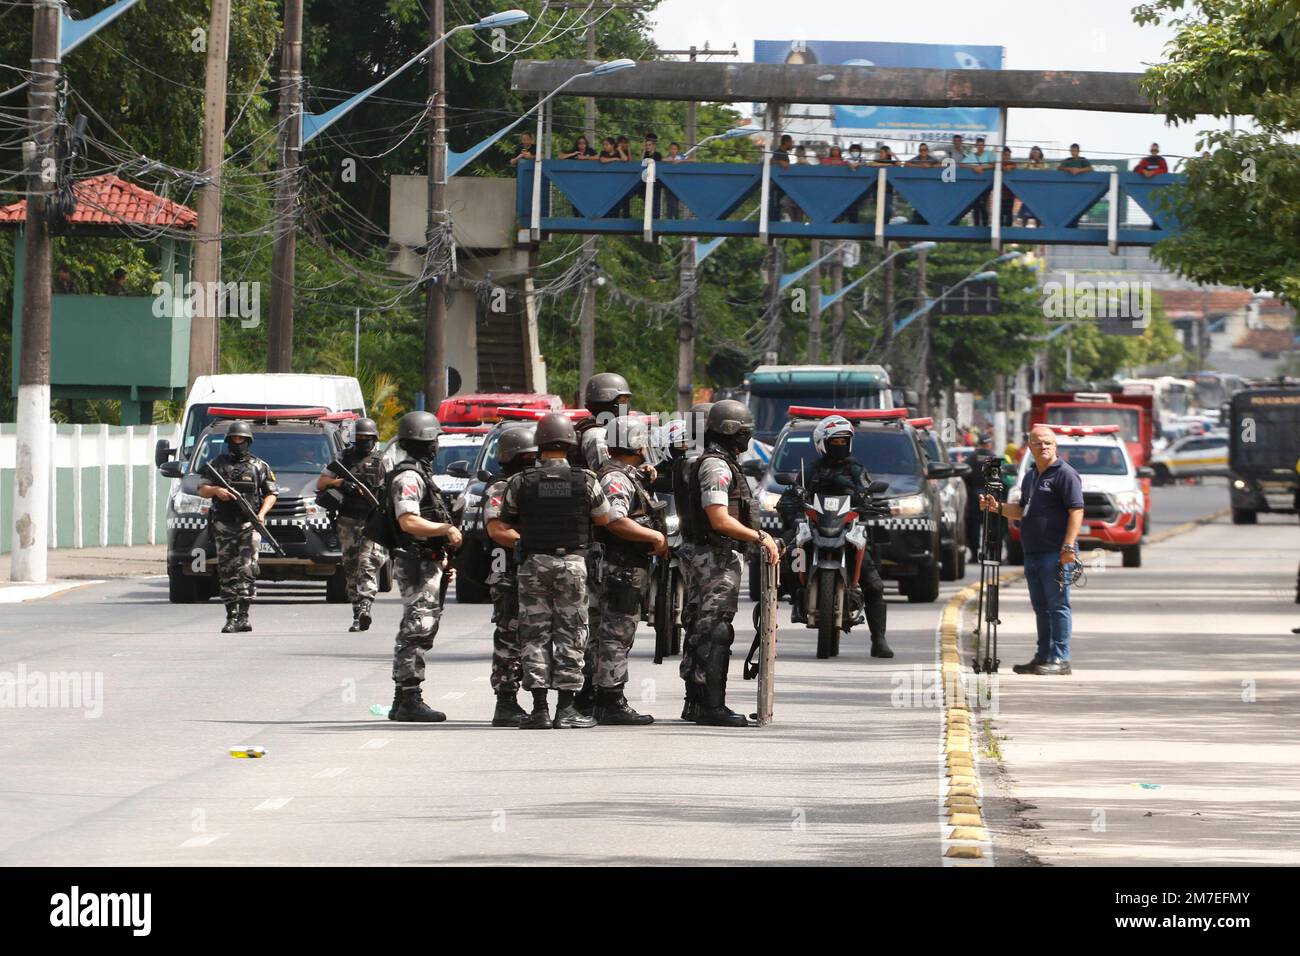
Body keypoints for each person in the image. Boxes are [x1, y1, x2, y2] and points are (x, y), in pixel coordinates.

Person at [498, 412, 612, 729]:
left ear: (539, 443)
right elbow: (604, 518)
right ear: (570, 442)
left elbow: (506, 519)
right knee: (571, 634)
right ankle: (566, 709)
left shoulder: (520, 482)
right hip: (572, 564)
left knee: (534, 635)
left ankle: (539, 710)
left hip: (533, 564)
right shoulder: (585, 480)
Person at [680, 400, 781, 726]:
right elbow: (720, 519)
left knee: (701, 629)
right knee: (715, 631)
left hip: (707, 555)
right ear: (730, 432)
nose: (747, 439)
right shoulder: (717, 467)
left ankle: (697, 704)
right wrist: (759, 536)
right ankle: (711, 707)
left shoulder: (711, 461)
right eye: (744, 432)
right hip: (716, 558)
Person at [980, 425, 1083, 675]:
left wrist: (1068, 546)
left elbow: (1076, 511)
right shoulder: (1031, 475)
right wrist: (997, 508)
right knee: (1041, 607)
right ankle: (1043, 656)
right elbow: (1021, 510)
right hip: (1033, 552)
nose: (1043, 447)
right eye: (1038, 443)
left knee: (1058, 606)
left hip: (1056, 552)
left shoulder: (1065, 474)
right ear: (1030, 447)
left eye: (1047, 442)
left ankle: (1060, 659)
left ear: (1055, 445)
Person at [384, 411, 463, 722]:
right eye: (434, 441)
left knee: (422, 626)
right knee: (417, 628)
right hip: (415, 561)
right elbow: (408, 520)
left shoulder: (420, 473)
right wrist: (445, 531)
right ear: (424, 443)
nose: (436, 447)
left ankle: (403, 698)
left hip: (427, 561)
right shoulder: (409, 477)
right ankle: (408, 699)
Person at [793, 415, 892, 657]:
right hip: (816, 526)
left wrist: (869, 498)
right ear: (822, 442)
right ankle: (768, 629)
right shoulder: (811, 469)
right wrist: (791, 498)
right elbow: (797, 489)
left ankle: (878, 639)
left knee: (875, 584)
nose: (840, 446)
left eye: (843, 441)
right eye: (834, 441)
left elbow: (867, 490)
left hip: (847, 530)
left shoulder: (855, 468)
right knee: (783, 561)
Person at [592, 416, 669, 725]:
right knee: (615, 633)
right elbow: (615, 520)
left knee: (608, 633)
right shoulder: (615, 478)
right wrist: (654, 536)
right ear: (637, 444)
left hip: (620, 564)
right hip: (619, 565)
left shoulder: (623, 474)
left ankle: (596, 697)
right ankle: (610, 701)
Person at [196, 420, 278, 634]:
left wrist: (261, 514)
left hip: (249, 525)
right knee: (227, 570)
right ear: (229, 440)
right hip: (224, 525)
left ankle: (244, 615)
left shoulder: (259, 466)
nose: (237, 442)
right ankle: (231, 615)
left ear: (248, 441)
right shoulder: (217, 464)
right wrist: (216, 492)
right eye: (234, 438)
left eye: (241, 439)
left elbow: (271, 493)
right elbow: (201, 489)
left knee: (248, 569)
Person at [483, 424, 540, 726]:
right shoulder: (500, 487)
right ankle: (505, 701)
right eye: (527, 457)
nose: (532, 462)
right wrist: (533, 542)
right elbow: (497, 531)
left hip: (531, 569)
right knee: (509, 636)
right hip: (507, 572)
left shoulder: (528, 485)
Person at [316, 417, 389, 632]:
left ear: (374, 440)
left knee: (367, 564)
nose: (363, 442)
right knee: (351, 567)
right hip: (347, 521)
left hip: (372, 519)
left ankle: (365, 606)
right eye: (359, 438)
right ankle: (357, 611)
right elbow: (321, 482)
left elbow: (390, 488)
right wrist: (340, 483)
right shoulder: (343, 457)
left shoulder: (383, 460)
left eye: (367, 438)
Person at [965, 137, 995, 226]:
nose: (980, 147)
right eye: (978, 145)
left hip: (987, 184)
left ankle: (985, 224)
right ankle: (977, 224)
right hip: (975, 185)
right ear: (976, 146)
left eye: (982, 145)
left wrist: (982, 167)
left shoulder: (989, 154)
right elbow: (962, 164)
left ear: (984, 146)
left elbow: (995, 164)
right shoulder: (972, 156)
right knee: (976, 205)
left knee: (983, 203)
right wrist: (974, 167)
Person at [998, 146, 1018, 226]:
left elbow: (1015, 166)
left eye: (1008, 154)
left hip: (1010, 192)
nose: (1007, 156)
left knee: (1009, 211)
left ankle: (1008, 228)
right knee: (1001, 212)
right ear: (1002, 155)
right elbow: (995, 165)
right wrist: (1003, 167)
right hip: (1001, 193)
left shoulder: (1012, 163)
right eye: (1005, 154)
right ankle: (1000, 226)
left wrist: (1010, 166)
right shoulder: (999, 163)